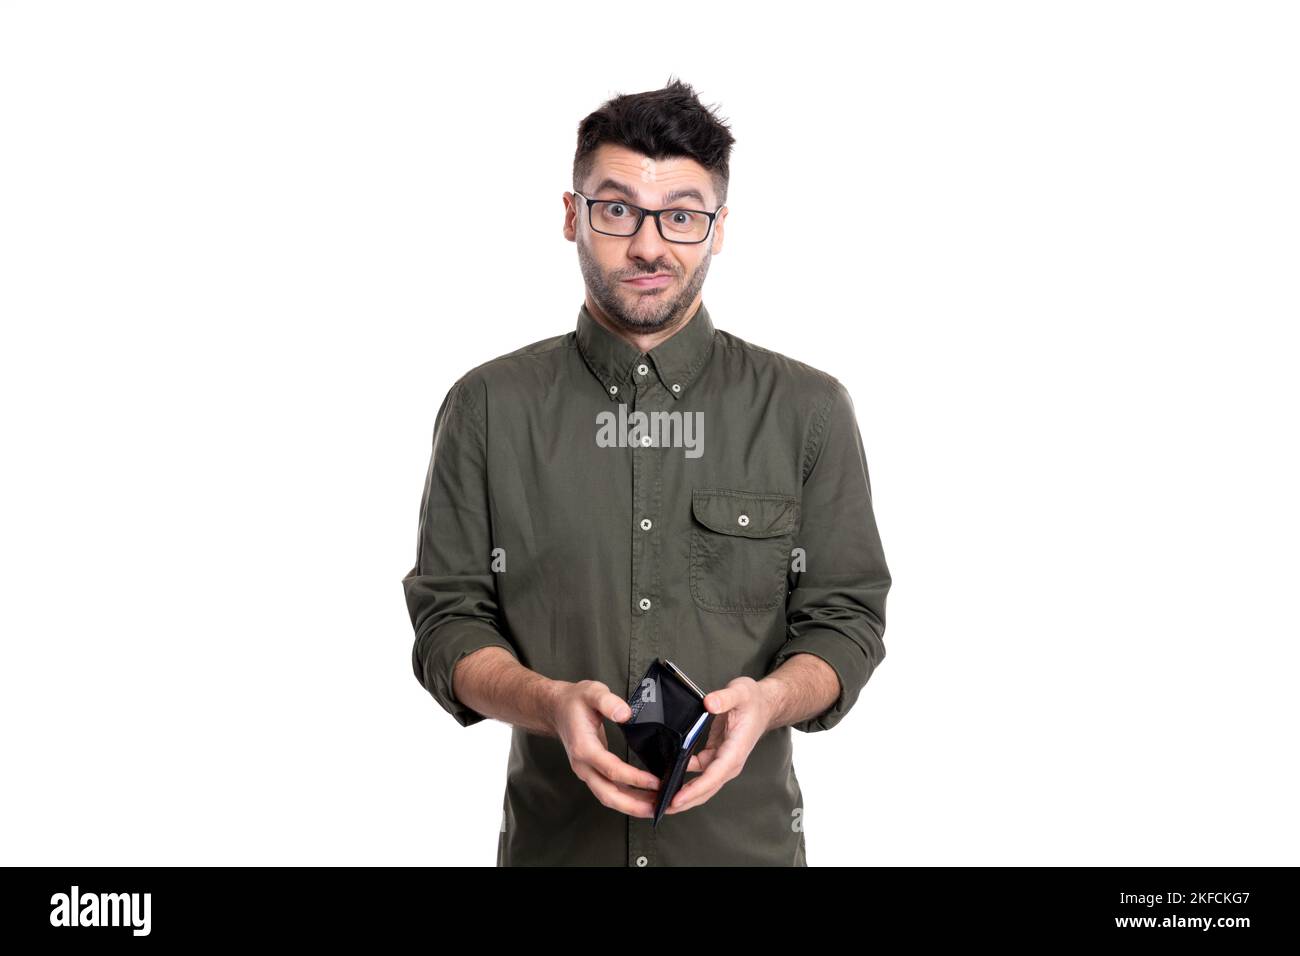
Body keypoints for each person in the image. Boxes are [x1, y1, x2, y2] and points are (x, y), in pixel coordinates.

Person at [402, 77, 891, 866]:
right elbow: (447, 622)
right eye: (618, 208)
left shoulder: (810, 411)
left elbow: (847, 621)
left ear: (719, 228)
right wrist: (549, 701)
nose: (649, 246)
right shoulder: (487, 407)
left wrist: (768, 701)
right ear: (572, 215)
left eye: (683, 216)